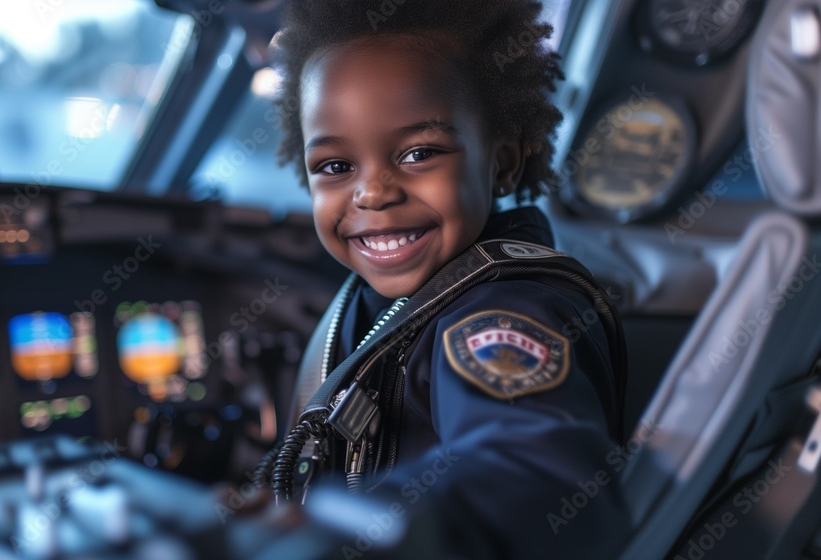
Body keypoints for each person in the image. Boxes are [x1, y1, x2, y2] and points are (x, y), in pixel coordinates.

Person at [257, 1, 632, 558]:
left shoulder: (504, 311)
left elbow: (536, 467)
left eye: (419, 153)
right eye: (336, 167)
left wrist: (363, 527)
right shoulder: (387, 293)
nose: (373, 193)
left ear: (501, 164)